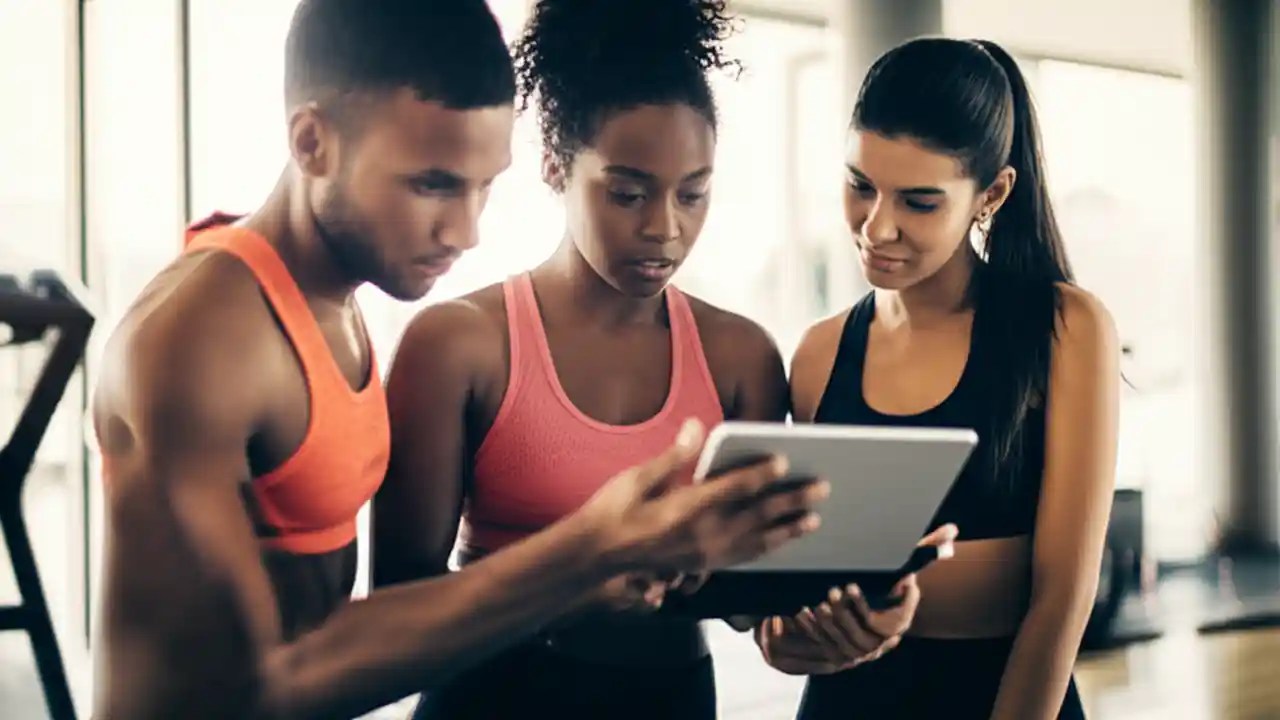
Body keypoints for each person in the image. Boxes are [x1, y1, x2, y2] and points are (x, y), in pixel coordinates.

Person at [88, 2, 834, 718]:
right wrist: (590, 551)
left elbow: (349, 629)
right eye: (433, 185)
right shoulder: (203, 340)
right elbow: (250, 687)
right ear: (312, 143)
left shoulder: (331, 303)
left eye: (483, 186)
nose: (467, 231)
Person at [372, 2, 946, 718]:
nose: (664, 228)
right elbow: (395, 614)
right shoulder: (457, 344)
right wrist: (587, 573)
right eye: (627, 193)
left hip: (671, 699)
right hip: (493, 699)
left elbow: (753, 609)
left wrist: (839, 629)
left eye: (693, 193)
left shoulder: (740, 356)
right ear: (554, 164)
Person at [766, 38, 1120, 719]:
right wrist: (784, 637)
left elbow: (1062, 601)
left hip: (1005, 695)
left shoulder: (1066, 329)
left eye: (919, 202)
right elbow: (807, 584)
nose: (877, 227)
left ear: (991, 194)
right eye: (860, 185)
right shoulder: (818, 354)